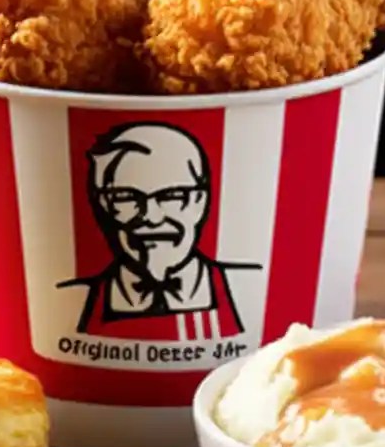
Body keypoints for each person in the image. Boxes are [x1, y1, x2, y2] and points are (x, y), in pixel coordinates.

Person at [57, 123, 259, 341]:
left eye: (172, 195)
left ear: (200, 201)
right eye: (126, 197)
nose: (152, 217)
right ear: (105, 205)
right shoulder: (70, 299)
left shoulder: (248, 287)